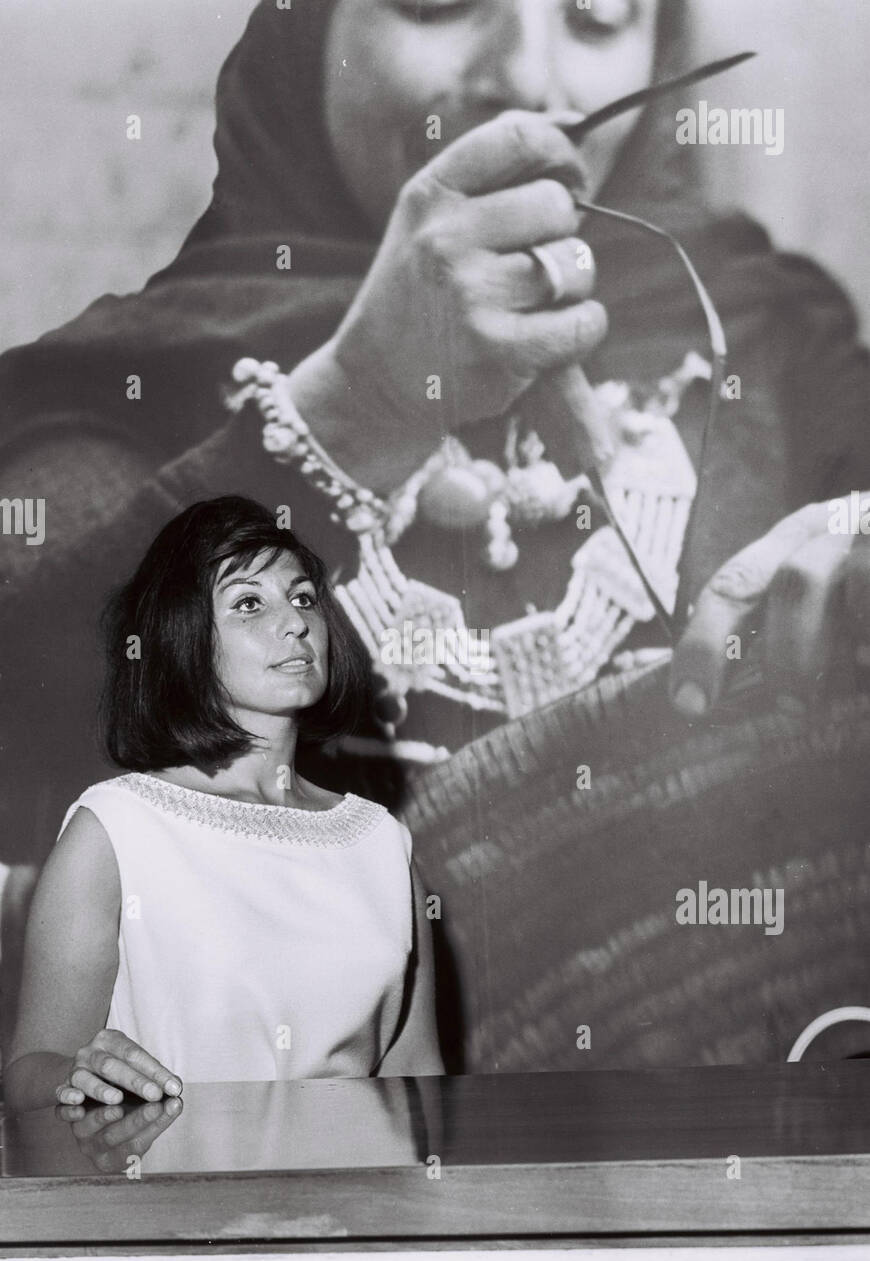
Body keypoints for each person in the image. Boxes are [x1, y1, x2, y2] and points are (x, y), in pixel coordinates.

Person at [1, 0, 868, 1070]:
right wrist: (356, 404)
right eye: (441, 1)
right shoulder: (141, 378)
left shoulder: (771, 337)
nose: (530, 77)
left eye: (602, 14)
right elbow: (30, 681)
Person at [3, 496, 443, 1111]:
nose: (293, 622)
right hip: (182, 1199)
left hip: (362, 1200)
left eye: (303, 597)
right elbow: (30, 1069)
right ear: (184, 640)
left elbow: (416, 1081)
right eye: (247, 604)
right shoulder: (117, 830)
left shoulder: (379, 842)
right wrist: (78, 1075)